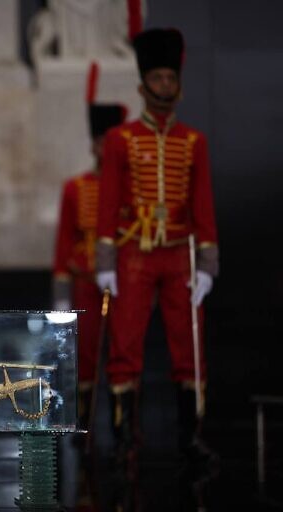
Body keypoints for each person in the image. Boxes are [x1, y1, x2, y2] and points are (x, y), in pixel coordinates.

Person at [94, 28, 219, 468]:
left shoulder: (194, 142)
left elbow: (202, 204)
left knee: (189, 344)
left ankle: (192, 436)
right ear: (143, 85)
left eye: (170, 77)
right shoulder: (120, 140)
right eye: (158, 78)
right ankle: (125, 437)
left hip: (180, 254)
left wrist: (206, 264)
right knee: (126, 344)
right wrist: (105, 260)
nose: (165, 85)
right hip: (134, 254)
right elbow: (108, 202)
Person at [53, 62, 127, 433]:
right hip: (84, 280)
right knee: (83, 356)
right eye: (101, 142)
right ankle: (81, 423)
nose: (105, 148)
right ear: (94, 145)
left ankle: (120, 422)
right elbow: (64, 240)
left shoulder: (130, 190)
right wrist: (62, 296)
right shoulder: (75, 188)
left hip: (121, 284)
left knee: (122, 353)